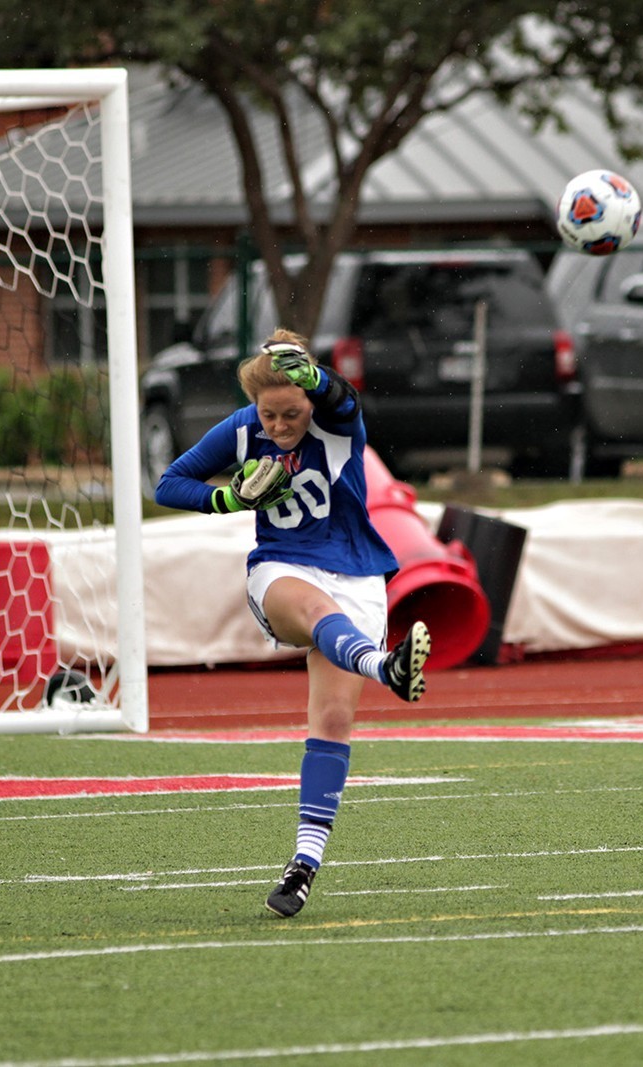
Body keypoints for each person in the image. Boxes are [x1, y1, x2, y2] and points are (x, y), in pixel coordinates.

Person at [154, 328, 431, 918]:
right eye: (269, 414)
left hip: (357, 573)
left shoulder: (336, 420)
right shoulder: (241, 427)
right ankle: (386, 666)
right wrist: (227, 500)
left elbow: (343, 397)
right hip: (281, 566)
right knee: (313, 612)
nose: (278, 426)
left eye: (291, 414)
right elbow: (169, 484)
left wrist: (315, 380)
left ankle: (303, 866)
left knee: (333, 718)